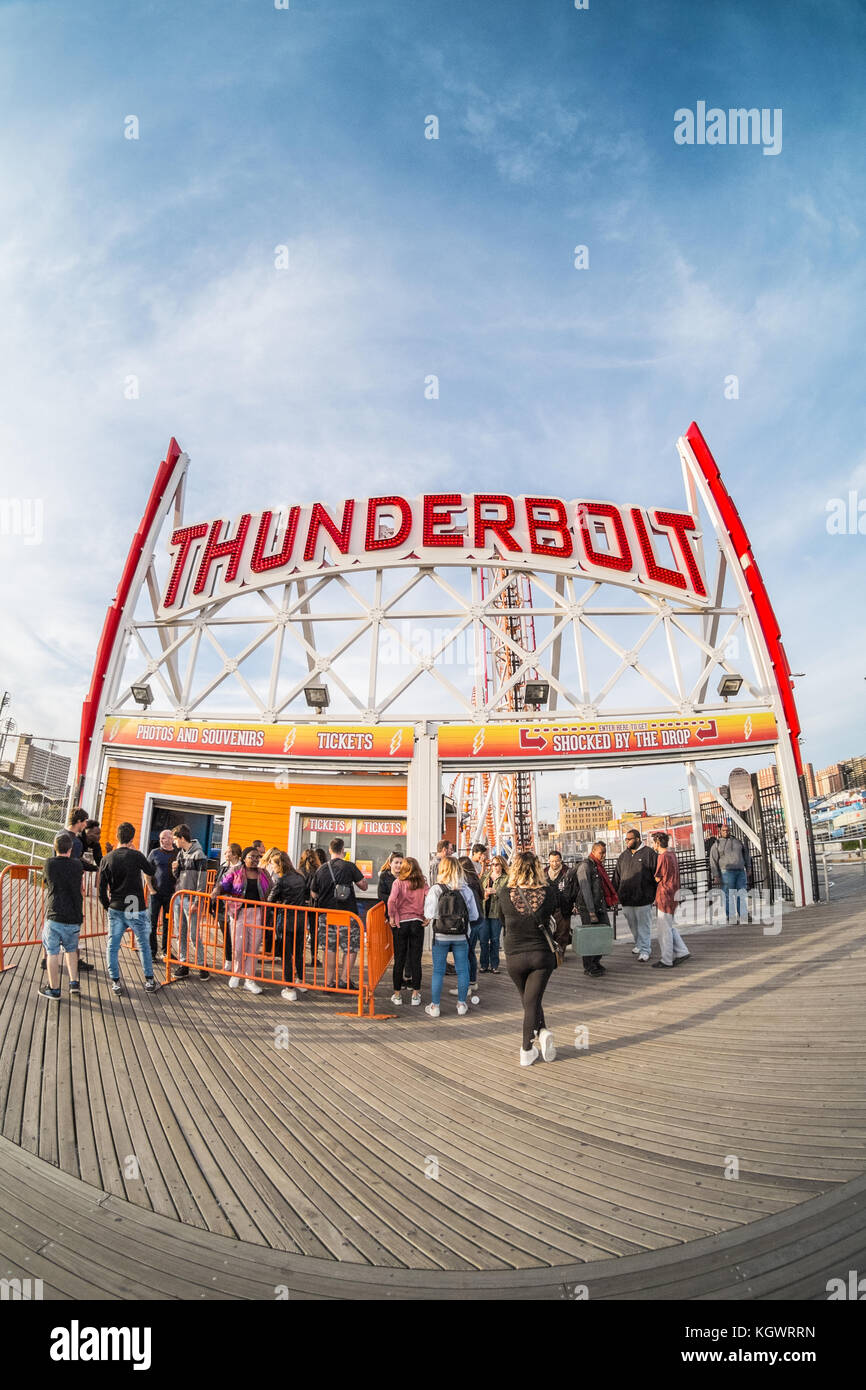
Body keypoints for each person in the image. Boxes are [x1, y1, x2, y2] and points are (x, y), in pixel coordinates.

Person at [497, 852, 559, 1066]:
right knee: (532, 1002)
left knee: (529, 1001)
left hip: (514, 955)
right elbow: (555, 912)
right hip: (541, 954)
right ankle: (531, 1043)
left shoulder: (504, 893)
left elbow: (502, 920)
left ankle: (533, 1043)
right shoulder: (548, 892)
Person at [98, 823, 158, 995]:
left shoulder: (107, 859)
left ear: (117, 837)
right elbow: (151, 870)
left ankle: (115, 981)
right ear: (132, 838)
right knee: (143, 944)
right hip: (135, 905)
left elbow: (102, 889)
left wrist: (106, 906)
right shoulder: (136, 856)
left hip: (116, 906)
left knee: (113, 945)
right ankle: (149, 980)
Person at [423, 856, 478, 1017]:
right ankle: (461, 1004)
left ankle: (435, 1007)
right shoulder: (465, 889)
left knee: (438, 971)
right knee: (462, 970)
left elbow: (429, 913)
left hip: (441, 935)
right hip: (461, 935)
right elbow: (474, 915)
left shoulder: (436, 889)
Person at [214, 846, 272, 993]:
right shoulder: (235, 872)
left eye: (257, 857)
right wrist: (216, 890)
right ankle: (236, 972)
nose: (255, 860)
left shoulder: (264, 873)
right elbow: (223, 885)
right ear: (244, 858)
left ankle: (249, 979)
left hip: (258, 913)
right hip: (239, 912)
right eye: (251, 857)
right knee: (239, 946)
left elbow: (271, 889)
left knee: (253, 948)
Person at [312, 837, 368, 990]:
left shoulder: (321, 869)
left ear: (330, 850)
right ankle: (343, 979)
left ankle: (328, 982)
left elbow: (313, 893)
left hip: (326, 915)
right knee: (350, 948)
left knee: (329, 949)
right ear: (343, 850)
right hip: (347, 915)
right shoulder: (349, 867)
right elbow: (363, 885)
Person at [39, 832, 85, 1000]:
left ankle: (54, 989)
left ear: (55, 847)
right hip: (74, 915)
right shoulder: (77, 865)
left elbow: (46, 881)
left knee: (52, 952)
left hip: (55, 914)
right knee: (71, 949)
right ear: (71, 849)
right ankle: (74, 983)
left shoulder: (49, 863)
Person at [265, 850, 307, 1002]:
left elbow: (269, 902)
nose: (272, 866)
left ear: (280, 864)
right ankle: (301, 981)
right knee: (299, 952)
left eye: (273, 864)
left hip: (285, 921)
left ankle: (289, 988)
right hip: (301, 920)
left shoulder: (281, 881)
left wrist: (276, 905)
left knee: (286, 955)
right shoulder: (300, 877)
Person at [387, 857, 428, 1005]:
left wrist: (391, 916)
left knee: (400, 959)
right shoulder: (422, 883)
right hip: (417, 922)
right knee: (415, 960)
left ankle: (397, 995)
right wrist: (428, 916)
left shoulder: (398, 882)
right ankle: (415, 995)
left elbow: (391, 900)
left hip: (401, 923)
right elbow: (430, 899)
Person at [170, 824, 210, 978]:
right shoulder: (180, 854)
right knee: (180, 933)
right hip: (179, 897)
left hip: (192, 899)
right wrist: (174, 869)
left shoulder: (199, 854)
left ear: (181, 838)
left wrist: (197, 900)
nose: (174, 842)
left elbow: (202, 881)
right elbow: (177, 877)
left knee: (193, 934)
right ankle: (183, 963)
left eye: (175, 839)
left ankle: (202, 965)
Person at [613, 828, 658, 963]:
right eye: (625, 839)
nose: (626, 841)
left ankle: (645, 950)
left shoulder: (650, 853)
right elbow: (616, 877)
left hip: (644, 898)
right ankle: (638, 944)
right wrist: (615, 896)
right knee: (633, 925)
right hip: (626, 899)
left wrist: (656, 895)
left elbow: (657, 875)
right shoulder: (623, 856)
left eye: (629, 839)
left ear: (638, 839)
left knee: (644, 926)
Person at [575, 842, 617, 977]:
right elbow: (585, 889)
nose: (604, 855)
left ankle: (596, 961)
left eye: (604, 852)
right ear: (593, 851)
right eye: (601, 853)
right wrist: (591, 911)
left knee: (602, 935)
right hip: (589, 908)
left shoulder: (596, 866)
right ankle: (589, 965)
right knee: (590, 938)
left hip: (599, 906)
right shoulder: (586, 866)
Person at [651, 831, 690, 968]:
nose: (652, 845)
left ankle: (666, 959)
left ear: (657, 842)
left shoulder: (662, 857)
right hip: (674, 894)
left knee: (663, 930)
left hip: (664, 895)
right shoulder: (672, 855)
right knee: (669, 926)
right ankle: (682, 951)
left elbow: (657, 877)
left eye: (653, 843)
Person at [709, 826, 752, 923]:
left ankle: (743, 915)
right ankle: (731, 917)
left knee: (741, 894)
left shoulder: (738, 841)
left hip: (740, 871)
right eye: (724, 830)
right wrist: (716, 875)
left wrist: (748, 867)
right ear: (720, 832)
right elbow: (713, 861)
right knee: (728, 895)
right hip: (726, 872)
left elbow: (746, 855)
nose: (726, 832)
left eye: (727, 830)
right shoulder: (717, 844)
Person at [457, 855, 484, 1001]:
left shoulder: (466, 884)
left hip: (471, 922)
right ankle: (472, 982)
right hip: (479, 920)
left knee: (465, 953)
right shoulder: (476, 881)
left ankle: (465, 986)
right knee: (470, 952)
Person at [147, 829, 176, 962]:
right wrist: (151, 889)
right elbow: (147, 872)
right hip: (156, 894)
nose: (162, 841)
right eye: (161, 838)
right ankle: (152, 952)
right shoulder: (154, 853)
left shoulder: (178, 853)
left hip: (170, 895)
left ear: (171, 839)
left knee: (167, 923)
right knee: (152, 923)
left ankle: (166, 952)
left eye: (165, 838)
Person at [479, 854, 506, 972]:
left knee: (495, 940)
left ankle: (494, 965)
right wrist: (484, 893)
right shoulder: (485, 876)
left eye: (497, 864)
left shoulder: (506, 878)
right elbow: (478, 890)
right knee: (484, 940)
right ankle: (484, 965)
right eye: (492, 864)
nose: (494, 867)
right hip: (484, 911)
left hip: (497, 912)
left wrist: (495, 891)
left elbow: (507, 893)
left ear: (502, 865)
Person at [546, 850, 577, 955]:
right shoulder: (543, 872)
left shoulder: (568, 872)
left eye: (557, 861)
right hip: (548, 908)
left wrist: (575, 904)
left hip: (564, 906)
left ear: (561, 861)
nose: (554, 864)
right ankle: (552, 952)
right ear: (549, 861)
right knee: (549, 932)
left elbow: (575, 889)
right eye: (552, 861)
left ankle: (560, 954)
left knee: (563, 932)